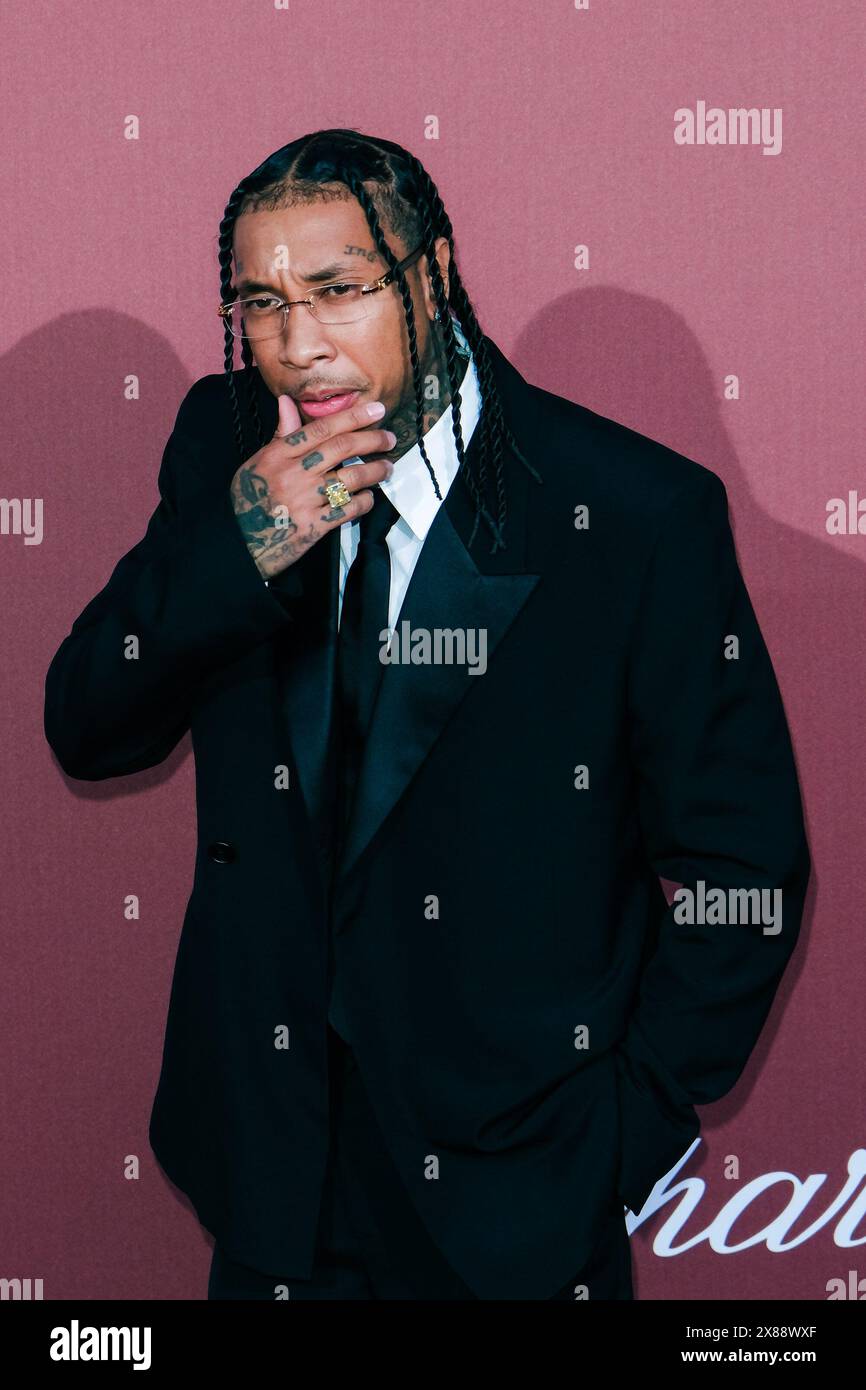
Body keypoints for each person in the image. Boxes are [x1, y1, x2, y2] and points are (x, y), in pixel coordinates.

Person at [43, 128, 811, 1301]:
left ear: (433, 271)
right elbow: (89, 725)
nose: (298, 346)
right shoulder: (227, 445)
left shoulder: (628, 511)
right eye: (261, 302)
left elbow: (741, 868)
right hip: (272, 1180)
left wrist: (622, 1127)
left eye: (340, 291)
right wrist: (235, 552)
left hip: (516, 1199)